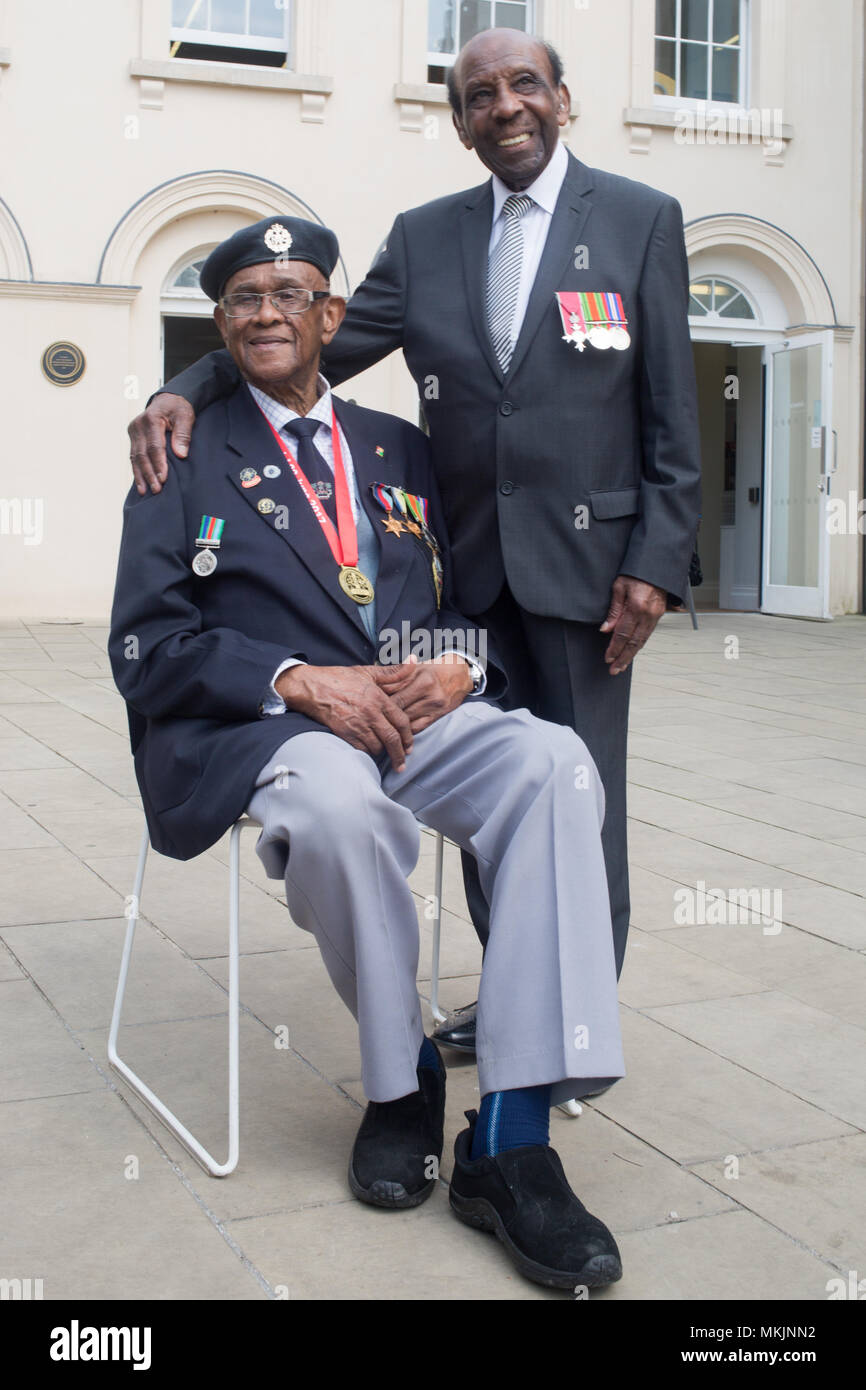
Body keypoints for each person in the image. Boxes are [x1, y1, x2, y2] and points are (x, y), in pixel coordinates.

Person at [127, 28, 702, 1067]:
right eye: (479, 94)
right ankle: (505, 996)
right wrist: (183, 385)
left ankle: (572, 1026)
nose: (505, 107)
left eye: (523, 85)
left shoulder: (635, 220)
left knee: (575, 794)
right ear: (460, 121)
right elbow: (303, 336)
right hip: (461, 579)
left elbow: (669, 409)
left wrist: (656, 560)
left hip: (586, 579)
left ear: (562, 101)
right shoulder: (427, 235)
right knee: (492, 796)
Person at [109, 215, 627, 1292]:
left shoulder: (399, 446)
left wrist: (459, 671)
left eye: (289, 292)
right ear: (220, 323)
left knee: (554, 765)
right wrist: (293, 679)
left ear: (329, 316)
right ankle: (401, 1091)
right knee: (339, 807)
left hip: (411, 709)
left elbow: (457, 604)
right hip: (273, 724)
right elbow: (144, 647)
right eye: (244, 296)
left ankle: (512, 1138)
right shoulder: (182, 449)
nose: (266, 312)